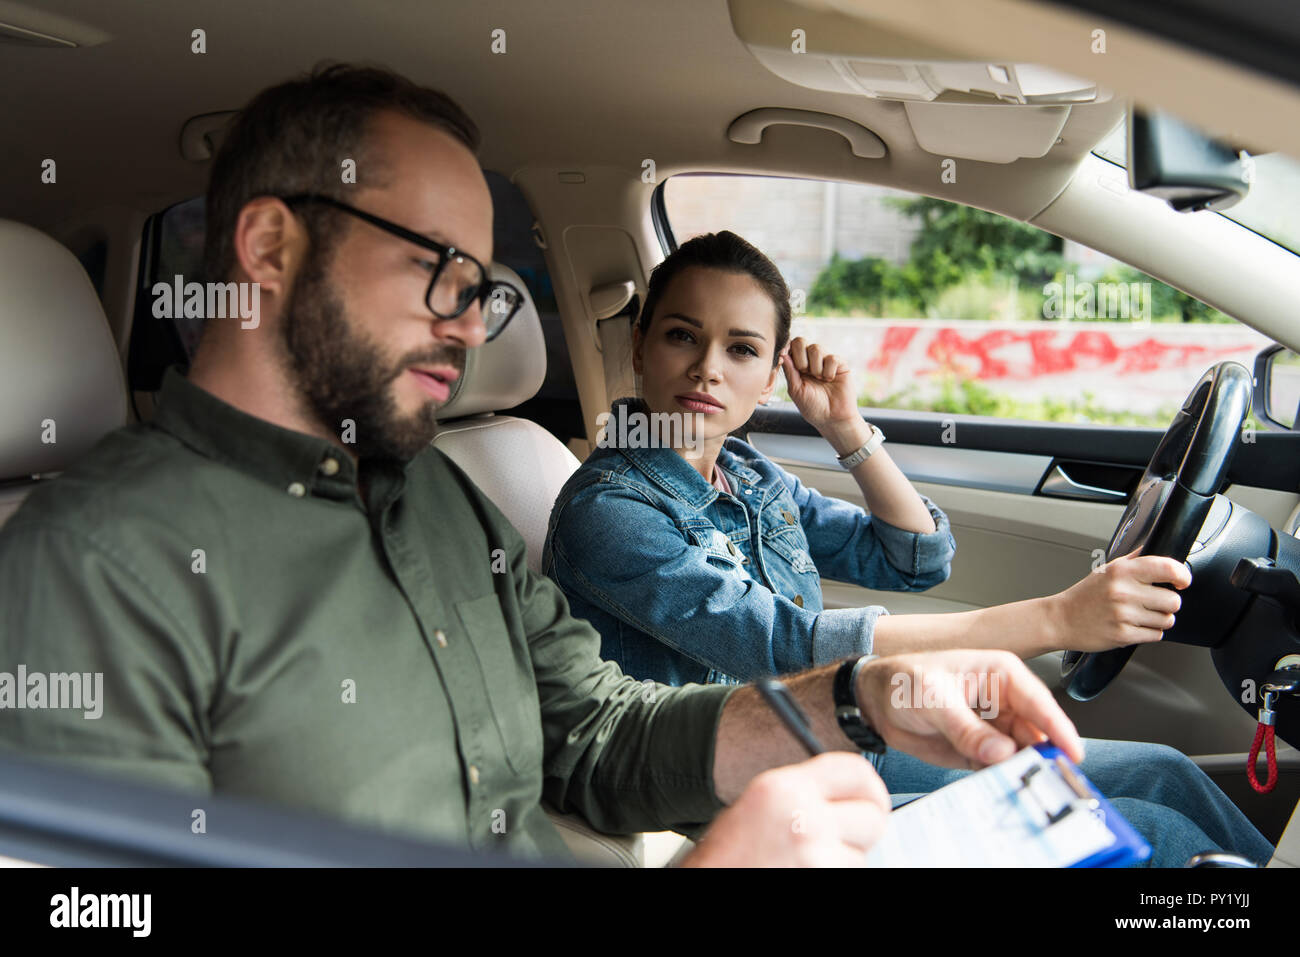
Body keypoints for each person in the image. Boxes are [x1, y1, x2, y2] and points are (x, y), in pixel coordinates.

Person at [0, 64, 1084, 868]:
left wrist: (854, 700)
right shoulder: (93, 564)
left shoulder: (435, 498)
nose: (470, 328)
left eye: (484, 289)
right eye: (438, 271)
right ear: (271, 248)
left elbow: (600, 734)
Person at [542, 229, 1275, 865]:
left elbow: (913, 557)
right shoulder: (610, 510)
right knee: (1149, 831)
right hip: (737, 776)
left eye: (740, 349)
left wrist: (845, 429)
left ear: (769, 378)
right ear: (639, 345)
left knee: (1163, 773)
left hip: (834, 732)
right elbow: (789, 647)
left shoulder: (746, 473)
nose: (708, 368)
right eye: (681, 335)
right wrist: (1057, 619)